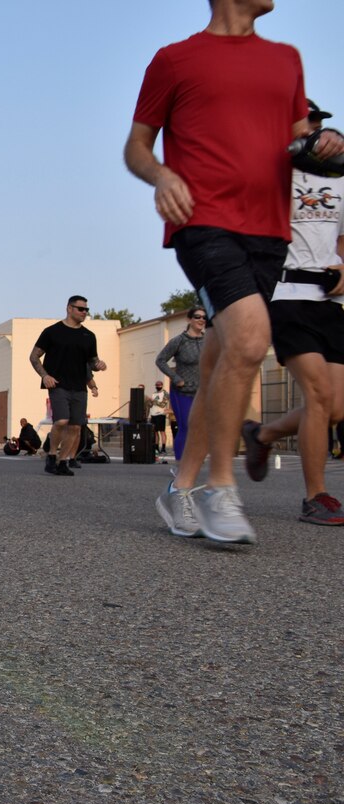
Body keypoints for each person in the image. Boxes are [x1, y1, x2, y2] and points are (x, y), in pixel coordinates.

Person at [125, 0, 344, 543]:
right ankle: (219, 489)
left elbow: (297, 144)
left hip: (270, 232)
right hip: (203, 222)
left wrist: (321, 146)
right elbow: (136, 147)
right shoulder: (175, 59)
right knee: (249, 337)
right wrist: (162, 177)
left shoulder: (286, 60)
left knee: (228, 355)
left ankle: (178, 490)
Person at [240, 99, 344, 525]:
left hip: (331, 301)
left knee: (336, 408)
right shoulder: (270, 175)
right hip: (288, 295)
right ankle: (315, 496)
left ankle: (262, 434)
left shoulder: (339, 180)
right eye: (306, 125)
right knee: (318, 396)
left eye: (318, 124)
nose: (314, 132)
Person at [29, 296, 106, 476]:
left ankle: (63, 461)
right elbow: (34, 356)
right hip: (58, 384)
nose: (84, 313)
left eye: (86, 310)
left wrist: (100, 365)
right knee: (62, 421)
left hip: (79, 386)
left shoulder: (89, 336)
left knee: (75, 426)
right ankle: (51, 455)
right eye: (80, 309)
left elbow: (93, 362)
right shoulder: (52, 332)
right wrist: (45, 375)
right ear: (69, 308)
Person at [155, 306, 207, 461]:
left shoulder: (208, 341)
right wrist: (176, 378)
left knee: (199, 428)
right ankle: (180, 464)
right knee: (185, 426)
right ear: (189, 319)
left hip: (201, 392)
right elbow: (160, 360)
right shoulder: (179, 341)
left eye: (204, 318)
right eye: (197, 317)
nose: (201, 320)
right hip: (182, 391)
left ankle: (193, 461)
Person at [148, 380, 170, 456]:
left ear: (162, 385)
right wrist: (149, 402)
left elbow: (162, 404)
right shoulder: (154, 394)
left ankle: (163, 448)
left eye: (159, 385)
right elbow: (151, 405)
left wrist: (153, 401)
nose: (158, 386)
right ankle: (156, 448)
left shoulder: (165, 393)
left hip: (160, 414)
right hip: (153, 415)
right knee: (155, 432)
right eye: (156, 385)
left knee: (162, 431)